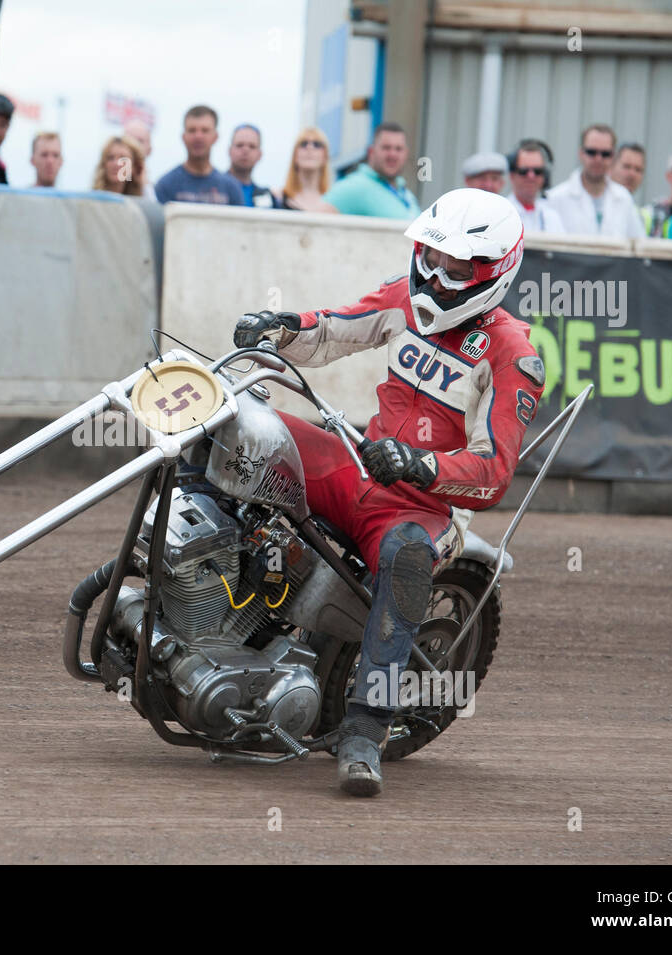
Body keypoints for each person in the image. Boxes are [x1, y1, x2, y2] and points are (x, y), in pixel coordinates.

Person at [231, 188, 543, 797]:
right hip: (355, 463)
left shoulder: (513, 355)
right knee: (241, 430)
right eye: (429, 257)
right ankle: (204, 606)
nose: (436, 276)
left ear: (494, 271)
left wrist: (419, 464)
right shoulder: (404, 297)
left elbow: (493, 470)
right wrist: (280, 327)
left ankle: (363, 733)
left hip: (417, 505)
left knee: (404, 561)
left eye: (455, 269)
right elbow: (336, 329)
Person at [546, 124, 644, 237]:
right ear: (581, 153)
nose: (598, 159)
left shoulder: (624, 198)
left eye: (605, 154)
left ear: (613, 157)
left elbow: (639, 244)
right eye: (592, 152)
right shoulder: (556, 198)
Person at [322, 121, 419, 219]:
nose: (392, 154)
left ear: (406, 153)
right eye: (386, 148)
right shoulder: (357, 186)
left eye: (398, 149)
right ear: (371, 152)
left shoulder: (407, 194)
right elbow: (315, 218)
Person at [152, 105, 245, 205]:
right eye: (192, 130)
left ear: (215, 137)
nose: (198, 136)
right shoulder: (165, 185)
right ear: (183, 137)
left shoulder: (231, 188)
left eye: (205, 130)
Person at [505, 139, 565, 233]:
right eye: (524, 171)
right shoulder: (502, 215)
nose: (531, 176)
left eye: (537, 171)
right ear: (512, 175)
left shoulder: (552, 218)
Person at [279, 126, 337, 213]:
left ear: (325, 156)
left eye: (317, 144)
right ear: (294, 156)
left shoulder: (335, 202)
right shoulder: (277, 199)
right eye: (303, 143)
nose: (310, 148)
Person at [227, 123, 280, 208]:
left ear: (260, 154)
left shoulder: (267, 197)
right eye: (240, 145)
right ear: (229, 151)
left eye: (252, 146)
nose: (245, 150)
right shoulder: (215, 190)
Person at [122, 118, 154, 197]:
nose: (134, 145)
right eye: (129, 140)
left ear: (149, 150)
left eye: (140, 141)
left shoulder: (159, 188)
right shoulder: (110, 182)